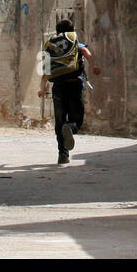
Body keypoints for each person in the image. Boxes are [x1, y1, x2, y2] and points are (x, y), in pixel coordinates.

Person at [38, 19, 101, 164]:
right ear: (71, 31)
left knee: (59, 121)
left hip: (58, 87)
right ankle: (71, 127)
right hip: (74, 84)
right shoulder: (74, 43)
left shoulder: (53, 47)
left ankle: (63, 154)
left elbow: (45, 72)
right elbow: (85, 51)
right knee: (77, 117)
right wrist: (94, 66)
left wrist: (41, 89)